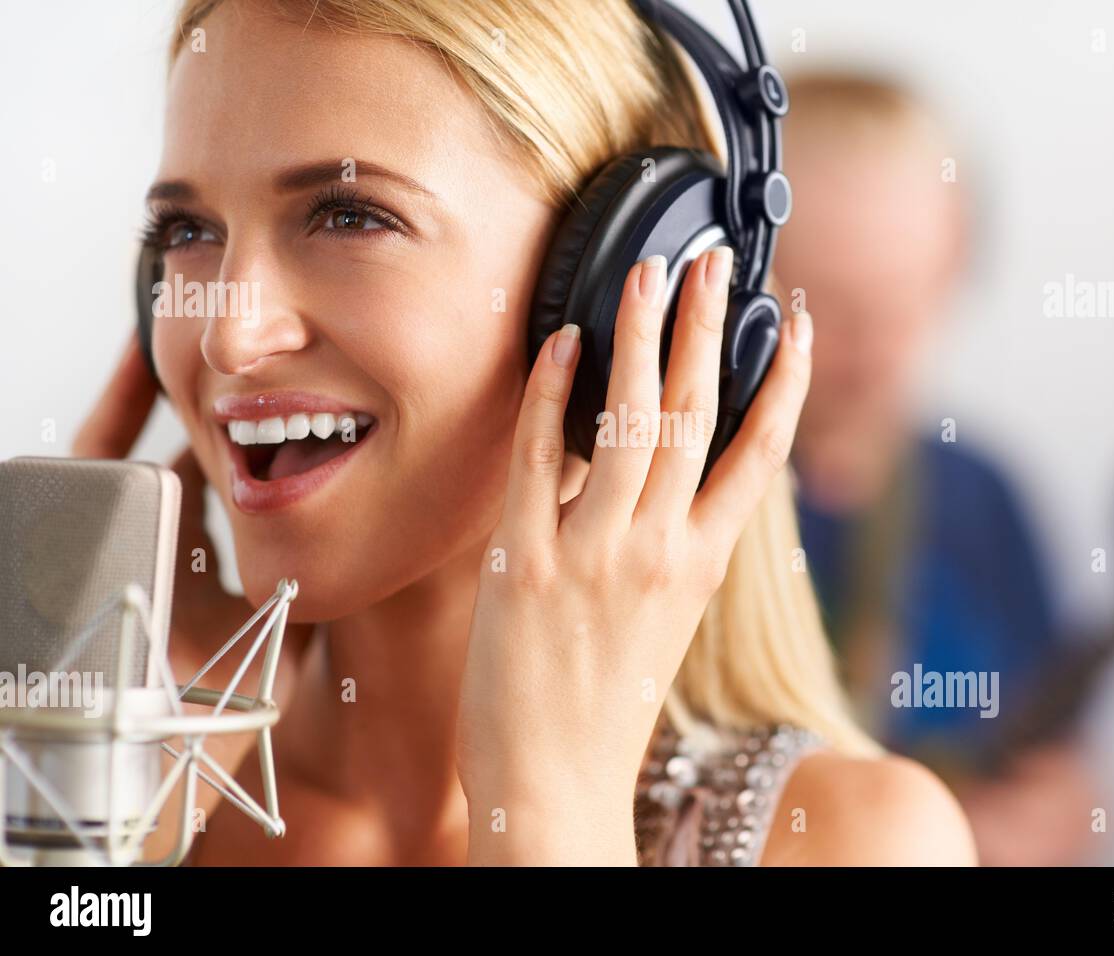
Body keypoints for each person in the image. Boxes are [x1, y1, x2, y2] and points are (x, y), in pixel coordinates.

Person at [70, 1, 975, 866]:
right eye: (187, 229)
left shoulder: (852, 843)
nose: (228, 330)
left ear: (625, 290)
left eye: (350, 216)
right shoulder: (115, 797)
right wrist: (81, 803)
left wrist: (549, 817)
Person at [777, 74, 1094, 865]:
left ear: (955, 264)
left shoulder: (988, 497)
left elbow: (1062, 780)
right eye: (833, 305)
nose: (877, 350)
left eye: (908, 301)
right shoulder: (687, 502)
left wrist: (1054, 825)